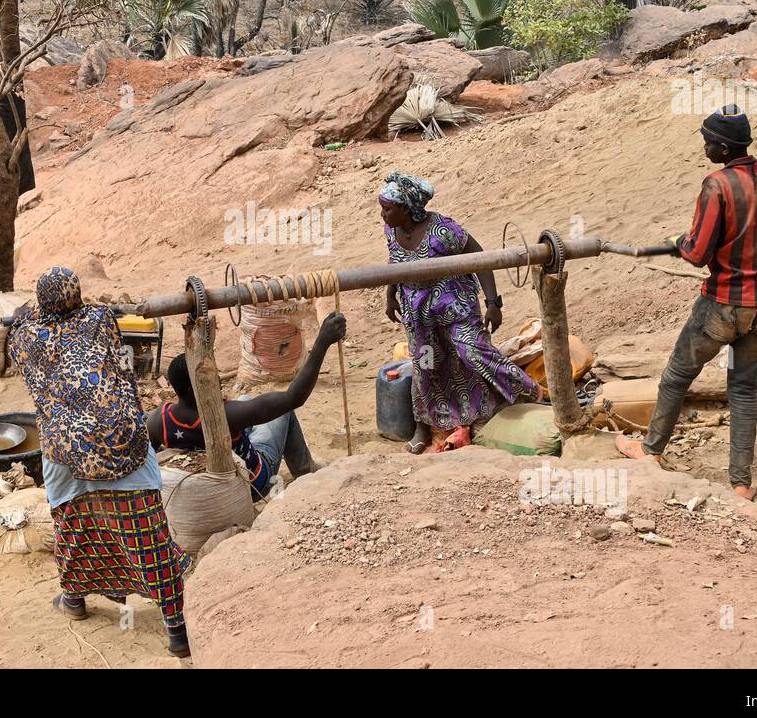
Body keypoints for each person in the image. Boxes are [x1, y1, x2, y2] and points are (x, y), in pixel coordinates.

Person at [616, 105, 757, 500]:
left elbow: (698, 252)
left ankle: (650, 452)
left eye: (706, 141)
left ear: (721, 147)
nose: (703, 146)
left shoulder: (716, 185)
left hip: (723, 304)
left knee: (678, 375)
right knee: (743, 388)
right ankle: (740, 484)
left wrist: (681, 244)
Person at [8, 267, 192, 658]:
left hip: (64, 448)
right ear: (76, 296)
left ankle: (74, 600)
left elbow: (25, 342)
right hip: (121, 441)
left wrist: (27, 319)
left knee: (73, 520)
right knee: (146, 530)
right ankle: (176, 629)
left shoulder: (23, 338)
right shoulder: (100, 319)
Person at [379, 171, 540, 454]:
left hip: (453, 303)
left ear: (406, 208)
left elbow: (480, 259)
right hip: (418, 313)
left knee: (473, 351)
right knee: (425, 365)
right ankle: (423, 426)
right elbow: (396, 262)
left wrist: (493, 303)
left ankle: (526, 391)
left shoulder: (443, 230)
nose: (383, 214)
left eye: (387, 208)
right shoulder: (392, 230)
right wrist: (391, 294)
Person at [148, 313, 345, 500]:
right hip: (252, 486)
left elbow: (148, 464)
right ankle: (305, 470)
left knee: (243, 399)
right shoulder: (226, 415)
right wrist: (322, 342)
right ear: (195, 390)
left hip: (208, 489)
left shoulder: (158, 420)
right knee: (284, 411)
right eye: (211, 375)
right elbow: (294, 397)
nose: (217, 378)